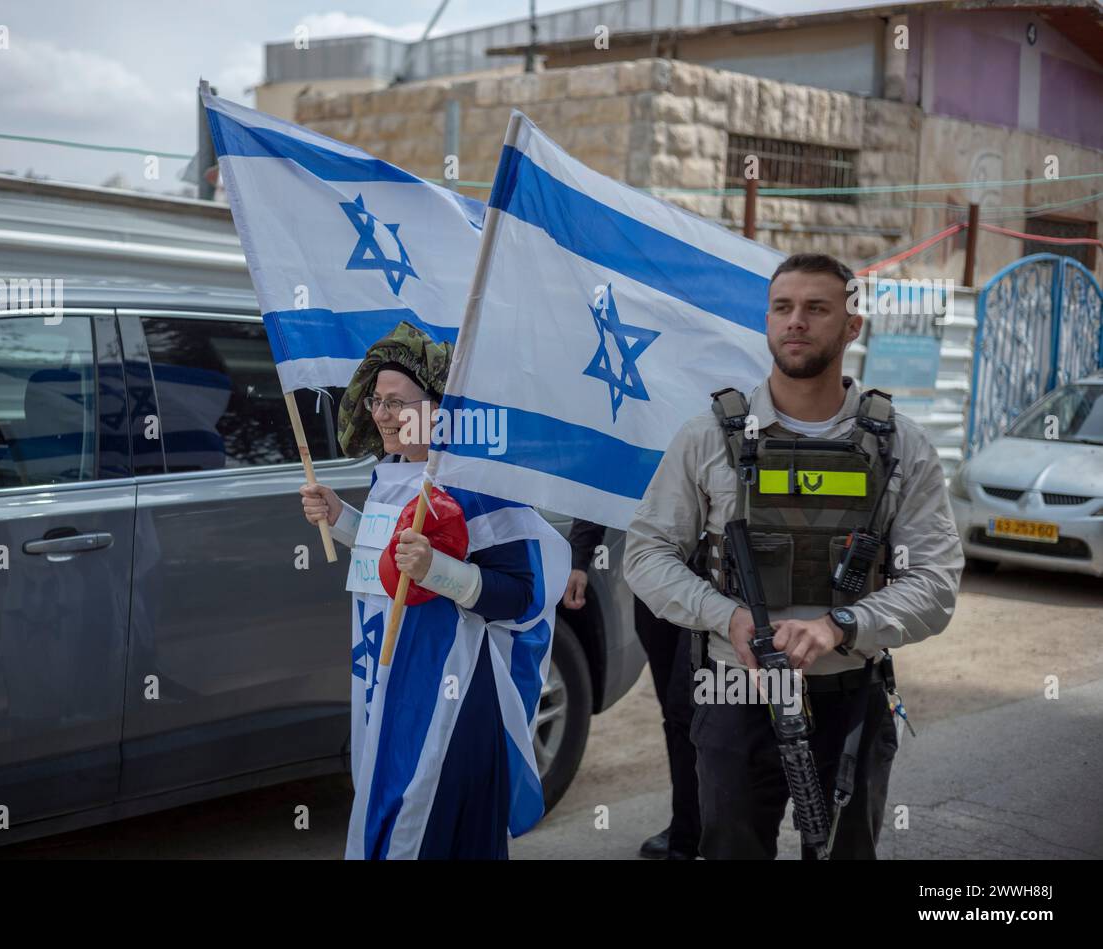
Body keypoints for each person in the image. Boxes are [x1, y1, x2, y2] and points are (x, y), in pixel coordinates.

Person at [623, 253, 963, 860]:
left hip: (849, 687)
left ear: (852, 325)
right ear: (767, 321)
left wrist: (840, 626)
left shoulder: (901, 447)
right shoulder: (709, 435)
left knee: (843, 851)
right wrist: (724, 615)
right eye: (782, 308)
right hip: (735, 689)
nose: (796, 322)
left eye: (816, 308)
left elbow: (936, 581)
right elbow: (647, 552)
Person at [300, 321, 569, 860]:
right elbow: (391, 563)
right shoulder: (389, 474)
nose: (380, 414)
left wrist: (441, 571)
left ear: (438, 407)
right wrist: (343, 520)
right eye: (375, 401)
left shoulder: (479, 482)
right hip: (389, 682)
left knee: (433, 831)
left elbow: (523, 593)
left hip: (455, 696)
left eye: (396, 401)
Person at [565, 519, 701, 860]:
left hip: (719, 580)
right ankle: (689, 824)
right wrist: (579, 561)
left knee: (695, 707)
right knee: (675, 710)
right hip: (656, 581)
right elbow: (609, 475)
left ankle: (702, 829)